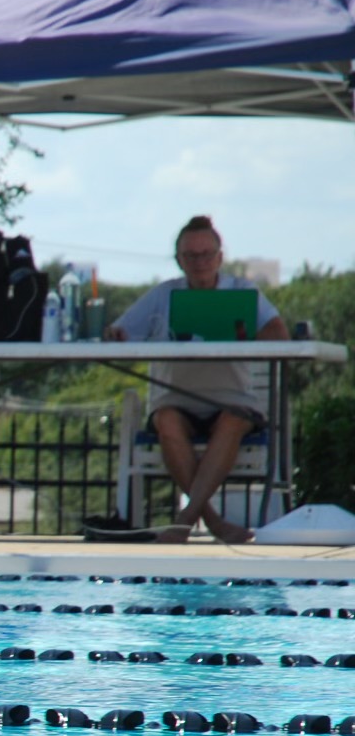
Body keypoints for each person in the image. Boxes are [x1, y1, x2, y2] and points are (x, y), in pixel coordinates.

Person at [104, 215, 288, 545]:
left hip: (231, 401)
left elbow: (279, 333)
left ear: (220, 256)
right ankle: (213, 523)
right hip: (176, 400)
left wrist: (244, 335)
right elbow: (121, 333)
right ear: (178, 260)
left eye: (206, 254)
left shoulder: (242, 291)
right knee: (167, 421)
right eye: (191, 255)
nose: (200, 262)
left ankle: (185, 520)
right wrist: (115, 335)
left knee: (233, 419)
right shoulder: (163, 295)